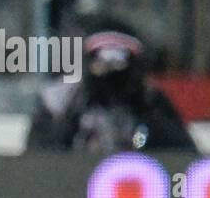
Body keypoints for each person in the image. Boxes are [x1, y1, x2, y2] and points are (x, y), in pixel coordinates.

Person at [27, 15, 196, 153]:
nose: (111, 75)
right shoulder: (58, 100)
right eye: (101, 65)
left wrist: (146, 114)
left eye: (120, 67)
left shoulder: (153, 99)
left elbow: (183, 157)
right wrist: (74, 115)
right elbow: (37, 158)